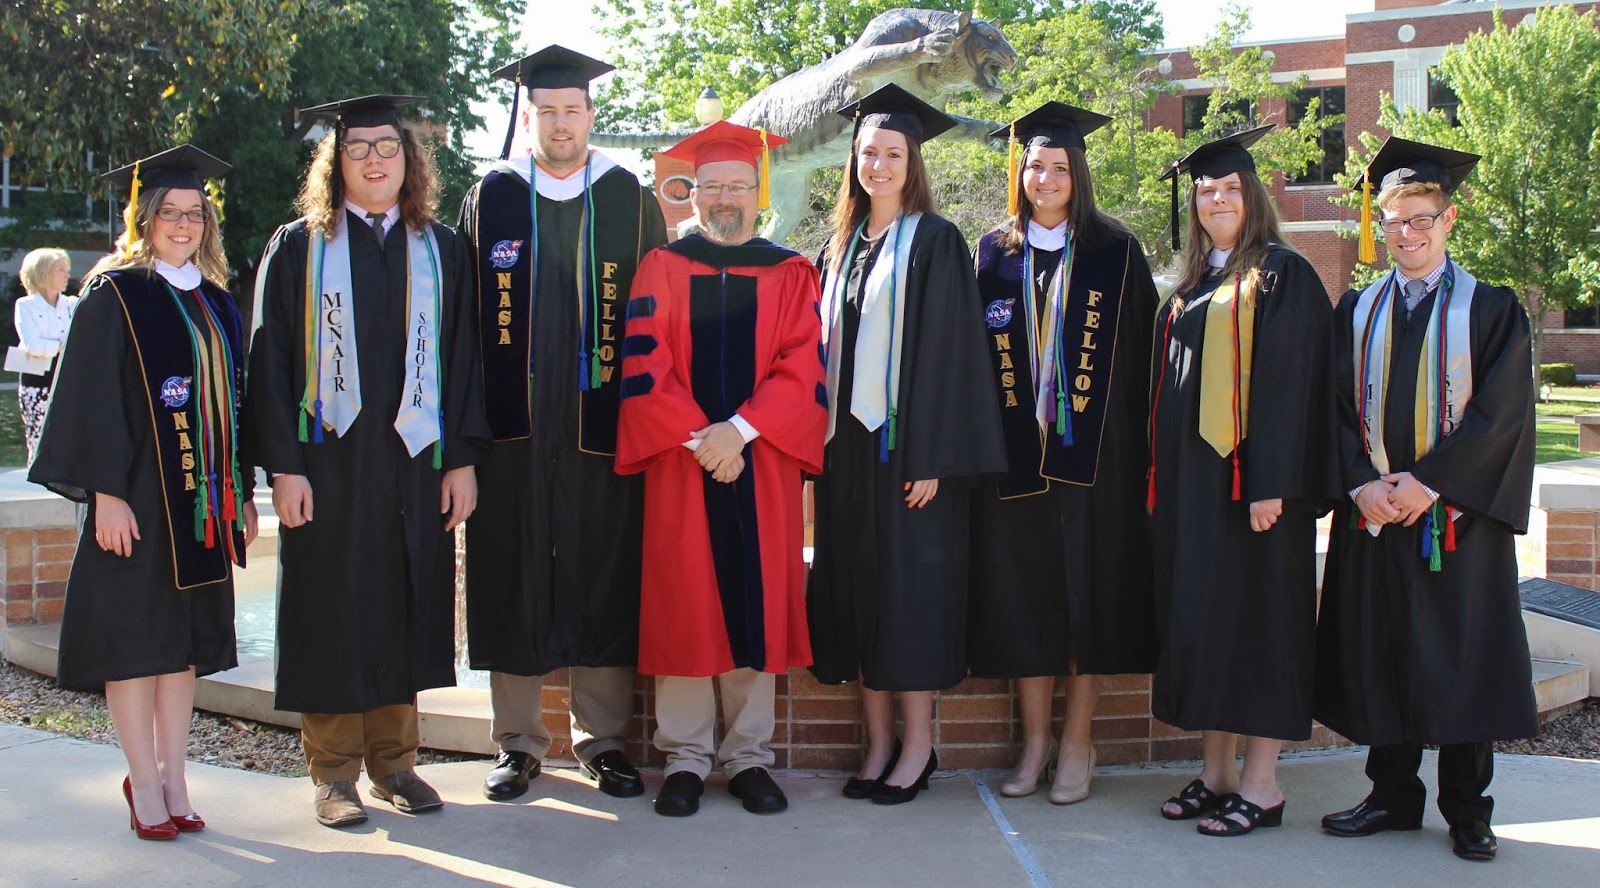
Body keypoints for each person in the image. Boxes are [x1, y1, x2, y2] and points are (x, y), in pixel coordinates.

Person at [243, 94, 488, 828]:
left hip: (416, 462)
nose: (375, 160)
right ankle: (333, 773)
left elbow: (464, 358)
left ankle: (396, 765)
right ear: (335, 161)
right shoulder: (298, 247)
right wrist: (282, 467)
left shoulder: (441, 249)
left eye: (388, 147)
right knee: (329, 606)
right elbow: (270, 359)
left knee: (405, 602)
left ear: (408, 160)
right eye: (359, 149)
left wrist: (462, 461)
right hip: (326, 464)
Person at [1315, 138, 1537, 862]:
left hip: (1455, 519)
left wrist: (1430, 482)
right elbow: (1331, 411)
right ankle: (1391, 796)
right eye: (1393, 220)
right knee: (1382, 651)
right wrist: (1358, 482)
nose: (1406, 233)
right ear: (1378, 224)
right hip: (1375, 516)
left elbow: (1501, 414)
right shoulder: (1355, 309)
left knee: (1461, 657)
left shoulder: (1492, 309)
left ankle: (1468, 809)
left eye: (1422, 218)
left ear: (1449, 220)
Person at [30, 146, 258, 839]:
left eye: (194, 213)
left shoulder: (218, 303)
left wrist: (242, 493)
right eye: (169, 212)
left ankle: (174, 777)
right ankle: (143, 781)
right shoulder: (115, 294)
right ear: (147, 217)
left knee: (182, 646)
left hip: (200, 507)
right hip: (135, 501)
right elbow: (89, 399)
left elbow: (234, 409)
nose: (182, 223)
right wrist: (104, 493)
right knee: (136, 643)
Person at [458, 45, 666, 803]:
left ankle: (602, 742)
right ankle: (517, 744)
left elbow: (655, 318)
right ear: (530, 116)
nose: (561, 124)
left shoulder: (626, 196)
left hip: (600, 425)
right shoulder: (494, 195)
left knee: (601, 568)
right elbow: (462, 324)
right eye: (547, 111)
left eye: (573, 110)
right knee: (511, 567)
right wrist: (466, 435)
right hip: (512, 431)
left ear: (590, 113)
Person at [615, 121, 826, 818]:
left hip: (759, 464)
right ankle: (684, 758)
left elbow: (802, 367)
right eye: (712, 188)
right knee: (687, 601)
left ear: (758, 192)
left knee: (754, 602)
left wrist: (736, 432)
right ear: (693, 194)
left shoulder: (791, 271)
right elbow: (646, 364)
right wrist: (698, 439)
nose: (725, 198)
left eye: (738, 185)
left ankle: (747, 759)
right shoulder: (663, 267)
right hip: (683, 465)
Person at [807, 84, 1006, 805]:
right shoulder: (840, 247)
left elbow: (953, 356)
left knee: (909, 598)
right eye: (868, 153)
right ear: (853, 162)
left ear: (913, 162)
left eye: (893, 154)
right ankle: (878, 743)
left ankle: (918, 747)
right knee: (859, 591)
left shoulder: (936, 240)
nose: (879, 165)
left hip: (908, 455)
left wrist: (932, 457)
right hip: (846, 453)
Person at [1148, 127, 1339, 836]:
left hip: (1257, 493)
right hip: (1197, 495)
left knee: (1261, 627)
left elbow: (1296, 391)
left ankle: (1263, 786)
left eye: (1229, 189)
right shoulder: (1192, 286)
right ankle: (1217, 773)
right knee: (1206, 623)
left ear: (1252, 197)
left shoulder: (1283, 277)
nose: (1216, 199)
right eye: (1205, 190)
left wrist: (1273, 484)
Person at [968, 103, 1158, 804]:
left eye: (1058, 166)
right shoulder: (991, 252)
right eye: (1034, 165)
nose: (1044, 177)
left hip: (1095, 467)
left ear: (1077, 174)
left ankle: (1079, 740)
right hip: (1015, 465)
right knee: (1026, 602)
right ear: (1019, 171)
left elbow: (1139, 362)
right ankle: (1035, 741)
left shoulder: (1117, 251)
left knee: (1088, 602)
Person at [12, 248, 78, 464]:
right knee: (37, 433)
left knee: (69, 432)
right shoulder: (26, 305)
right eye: (61, 270)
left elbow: (82, 339)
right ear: (43, 273)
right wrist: (63, 345)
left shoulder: (72, 304)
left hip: (67, 377)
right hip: (36, 380)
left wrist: (56, 346)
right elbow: (32, 345)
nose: (67, 275)